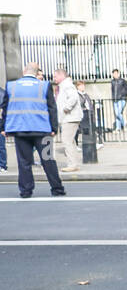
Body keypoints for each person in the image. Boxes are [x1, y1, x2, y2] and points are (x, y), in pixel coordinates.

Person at [1, 63, 66, 198]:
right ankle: (57, 189)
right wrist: (54, 128)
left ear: (24, 71)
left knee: (24, 162)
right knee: (48, 160)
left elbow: (5, 108)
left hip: (20, 130)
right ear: (37, 73)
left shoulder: (11, 86)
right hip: (43, 131)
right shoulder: (44, 86)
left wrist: (3, 127)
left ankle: (26, 191)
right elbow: (52, 108)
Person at [52, 68, 82, 171]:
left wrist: (66, 108)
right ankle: (73, 163)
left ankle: (72, 165)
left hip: (70, 118)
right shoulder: (64, 85)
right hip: (69, 117)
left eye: (55, 76)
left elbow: (73, 97)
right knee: (70, 141)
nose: (54, 78)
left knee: (67, 141)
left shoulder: (67, 85)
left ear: (61, 76)